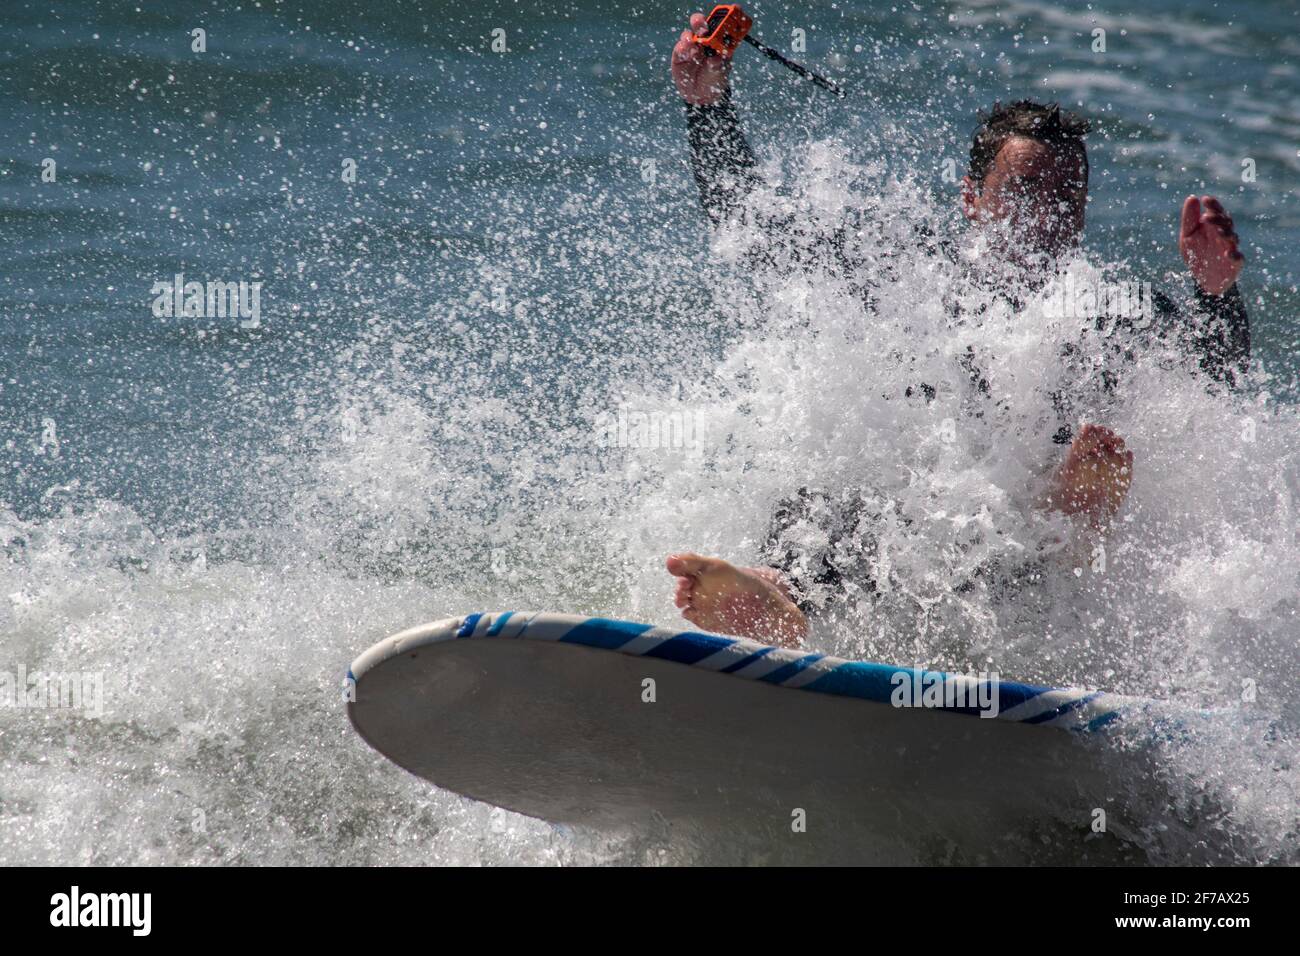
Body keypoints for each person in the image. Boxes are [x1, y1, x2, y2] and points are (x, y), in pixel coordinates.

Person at [663, 11, 1250, 647]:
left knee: (1061, 476)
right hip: (919, 531)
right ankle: (775, 594)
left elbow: (1215, 379)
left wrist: (1216, 294)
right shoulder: (907, 274)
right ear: (970, 197)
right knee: (822, 509)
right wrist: (707, 108)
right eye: (1025, 190)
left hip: (1021, 554)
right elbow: (755, 234)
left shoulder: (1106, 307)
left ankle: (1073, 517)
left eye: (1067, 199)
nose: (1048, 215)